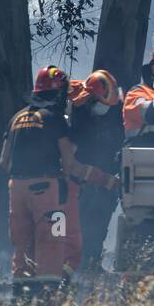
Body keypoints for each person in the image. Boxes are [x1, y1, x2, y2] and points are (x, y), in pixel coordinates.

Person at [0, 66, 120, 281]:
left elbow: (3, 161)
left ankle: (24, 292)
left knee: (24, 242)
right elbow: (70, 164)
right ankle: (52, 289)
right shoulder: (57, 119)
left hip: (18, 189)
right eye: (101, 104)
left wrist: (26, 173)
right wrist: (106, 180)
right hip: (54, 190)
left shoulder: (17, 117)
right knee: (60, 240)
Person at [65, 70, 125, 270]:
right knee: (79, 221)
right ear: (90, 97)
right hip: (79, 175)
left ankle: (91, 261)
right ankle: (74, 264)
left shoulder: (115, 106)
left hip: (103, 171)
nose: (105, 108)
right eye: (101, 104)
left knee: (99, 217)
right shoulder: (75, 108)